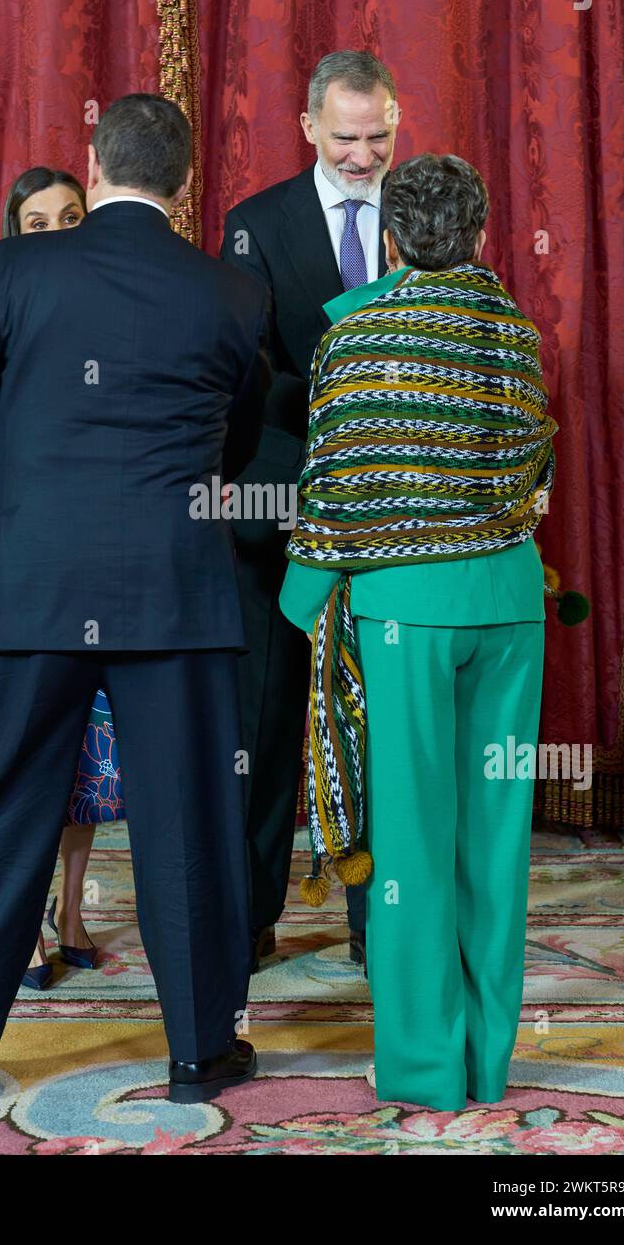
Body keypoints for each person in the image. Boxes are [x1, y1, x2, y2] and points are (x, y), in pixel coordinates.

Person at [0, 93, 270, 1108]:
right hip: (176, 589)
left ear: (93, 162)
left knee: (2, 810)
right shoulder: (231, 295)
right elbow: (235, 446)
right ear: (183, 181)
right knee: (190, 821)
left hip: (33, 583)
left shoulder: (5, 269)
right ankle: (201, 1049)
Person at [280, 153, 557, 1111]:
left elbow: (338, 483)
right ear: (479, 234)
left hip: (410, 614)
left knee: (410, 847)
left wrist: (300, 598)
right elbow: (531, 470)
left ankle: (424, 1068)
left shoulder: (355, 339)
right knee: (495, 844)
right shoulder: (516, 331)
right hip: (514, 607)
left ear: (391, 239)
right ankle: (487, 1062)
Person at [220, 51, 401, 971]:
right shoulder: (254, 227)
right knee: (263, 728)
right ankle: (251, 915)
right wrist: (338, 399)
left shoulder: (426, 217)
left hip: (395, 530)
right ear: (308, 131)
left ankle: (379, 922)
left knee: (381, 732)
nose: (366, 155)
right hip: (278, 520)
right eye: (347, 138)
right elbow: (240, 380)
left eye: (379, 135)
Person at [0, 167, 122, 992]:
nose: (56, 230)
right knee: (7, 757)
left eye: (71, 216)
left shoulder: (112, 308)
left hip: (96, 565)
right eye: (37, 221)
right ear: (14, 233)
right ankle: (20, 921)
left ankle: (70, 912)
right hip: (3, 563)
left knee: (85, 753)